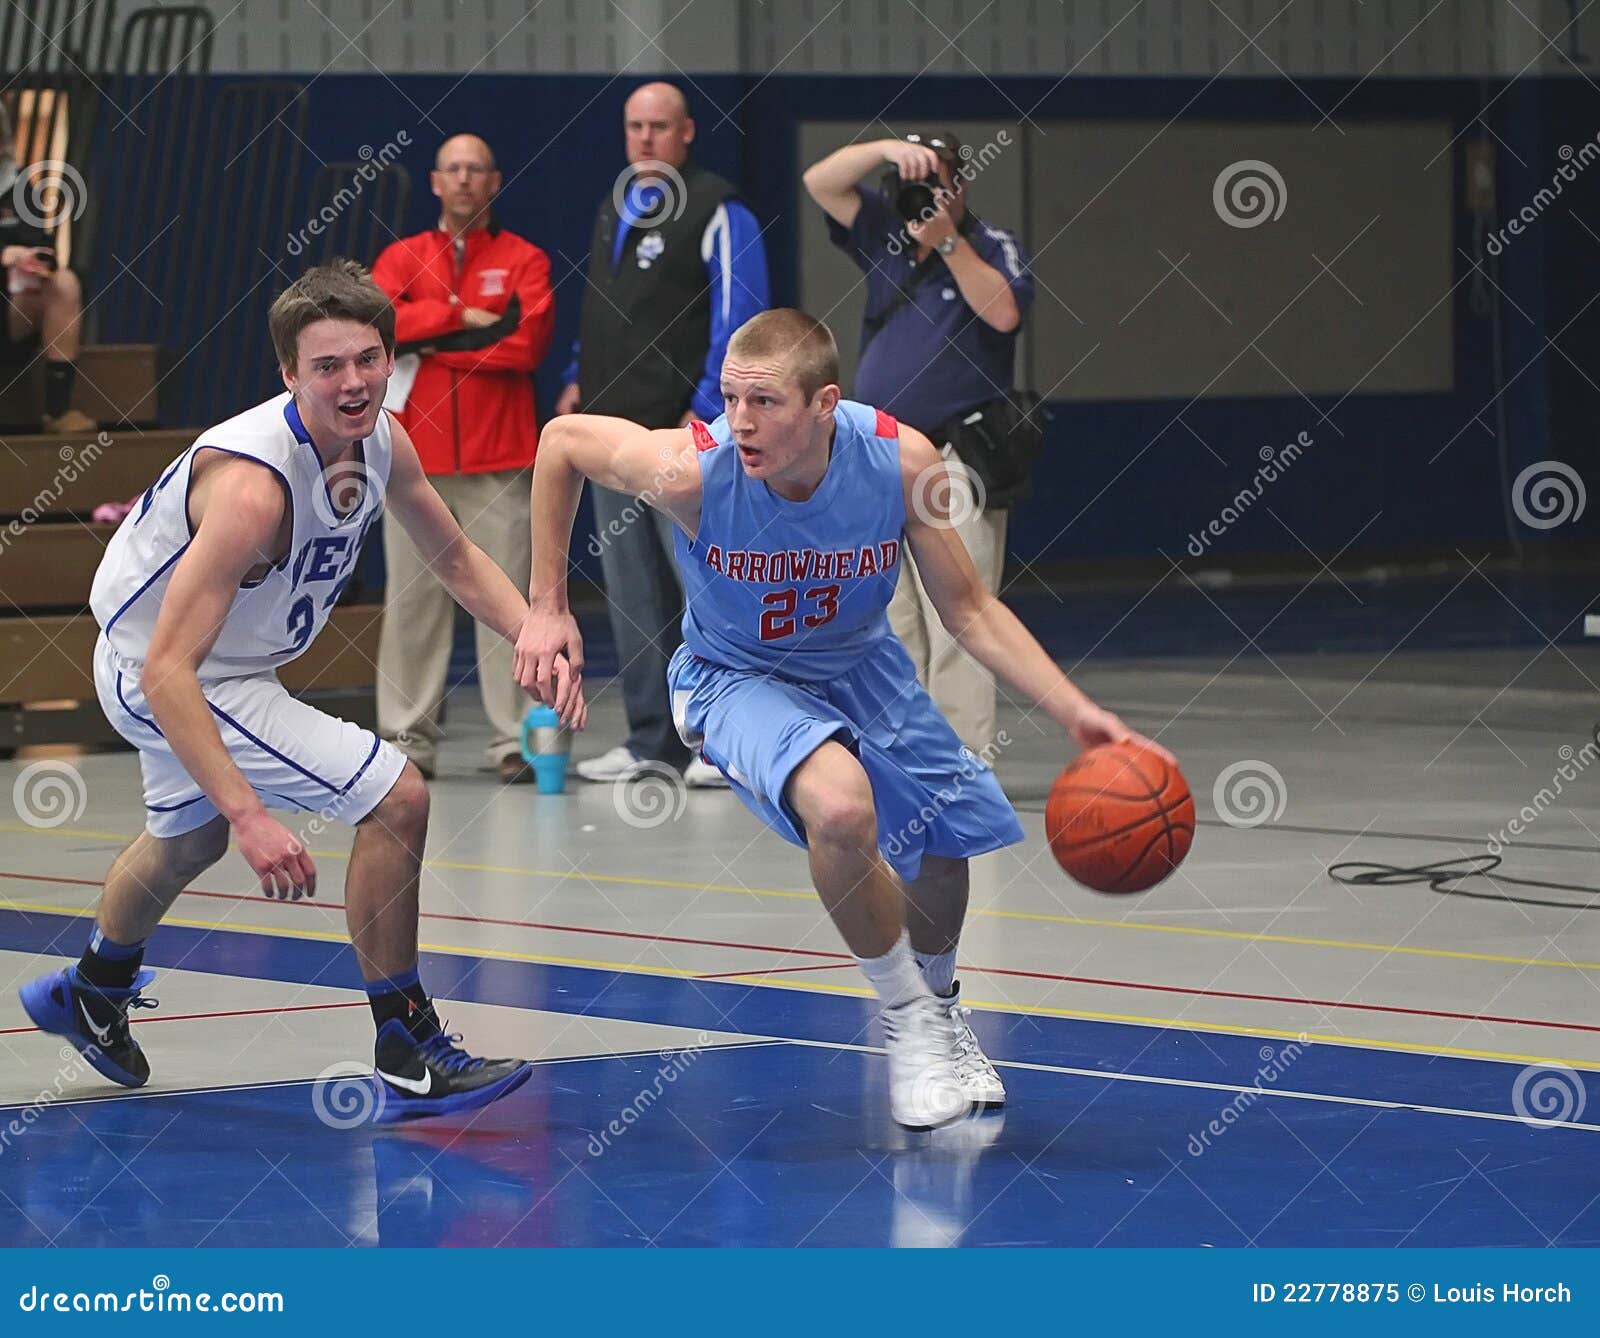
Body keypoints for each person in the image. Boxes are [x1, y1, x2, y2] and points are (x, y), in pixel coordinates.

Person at [515, 308, 1166, 1130]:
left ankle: (937, 1005)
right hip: (736, 676)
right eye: (731, 399)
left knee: (941, 842)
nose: (740, 422)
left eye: (765, 403)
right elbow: (562, 439)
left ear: (825, 404)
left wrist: (1082, 715)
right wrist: (546, 605)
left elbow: (967, 611)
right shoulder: (693, 469)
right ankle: (907, 1021)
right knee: (842, 805)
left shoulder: (901, 462)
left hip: (862, 663)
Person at [19, 260, 533, 1121]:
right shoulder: (253, 489)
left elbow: (453, 557)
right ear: (289, 375)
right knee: (395, 798)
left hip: (201, 665)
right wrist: (256, 816)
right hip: (174, 671)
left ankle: (93, 990)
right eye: (327, 366)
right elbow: (168, 672)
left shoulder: (384, 439)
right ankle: (407, 1045)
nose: (354, 381)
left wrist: (534, 630)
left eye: (368, 358)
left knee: (187, 844)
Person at [557, 81, 769, 788]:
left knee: (704, 590)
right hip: (613, 438)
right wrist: (579, 378)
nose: (644, 139)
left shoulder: (720, 208)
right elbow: (608, 307)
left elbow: (745, 317)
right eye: (634, 126)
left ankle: (721, 739)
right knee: (633, 595)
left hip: (684, 440)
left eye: (659, 127)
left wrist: (709, 409)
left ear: (686, 134)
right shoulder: (615, 204)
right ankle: (654, 742)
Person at [804, 133, 1034, 755]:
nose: (932, 194)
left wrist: (949, 242)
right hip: (881, 458)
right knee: (890, 615)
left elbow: (1005, 314)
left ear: (963, 185)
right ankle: (904, 755)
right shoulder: (885, 235)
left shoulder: (991, 245)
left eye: (944, 180)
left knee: (959, 615)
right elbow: (820, 181)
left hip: (956, 459)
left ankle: (963, 763)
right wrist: (886, 148)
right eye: (922, 181)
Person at [371, 133, 555, 782]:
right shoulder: (399, 257)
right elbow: (381, 331)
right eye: (454, 169)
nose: (466, 180)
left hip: (499, 461)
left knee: (507, 605)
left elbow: (523, 345)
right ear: (435, 182)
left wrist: (432, 333)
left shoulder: (525, 259)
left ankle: (516, 741)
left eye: (478, 169)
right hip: (410, 464)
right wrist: (465, 318)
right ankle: (406, 741)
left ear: (495, 181)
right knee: (412, 603)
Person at [0, 102, 96, 434]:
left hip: (12, 311)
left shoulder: (17, 184)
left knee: (64, 282)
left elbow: (43, 244)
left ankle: (58, 410)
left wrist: (35, 258)